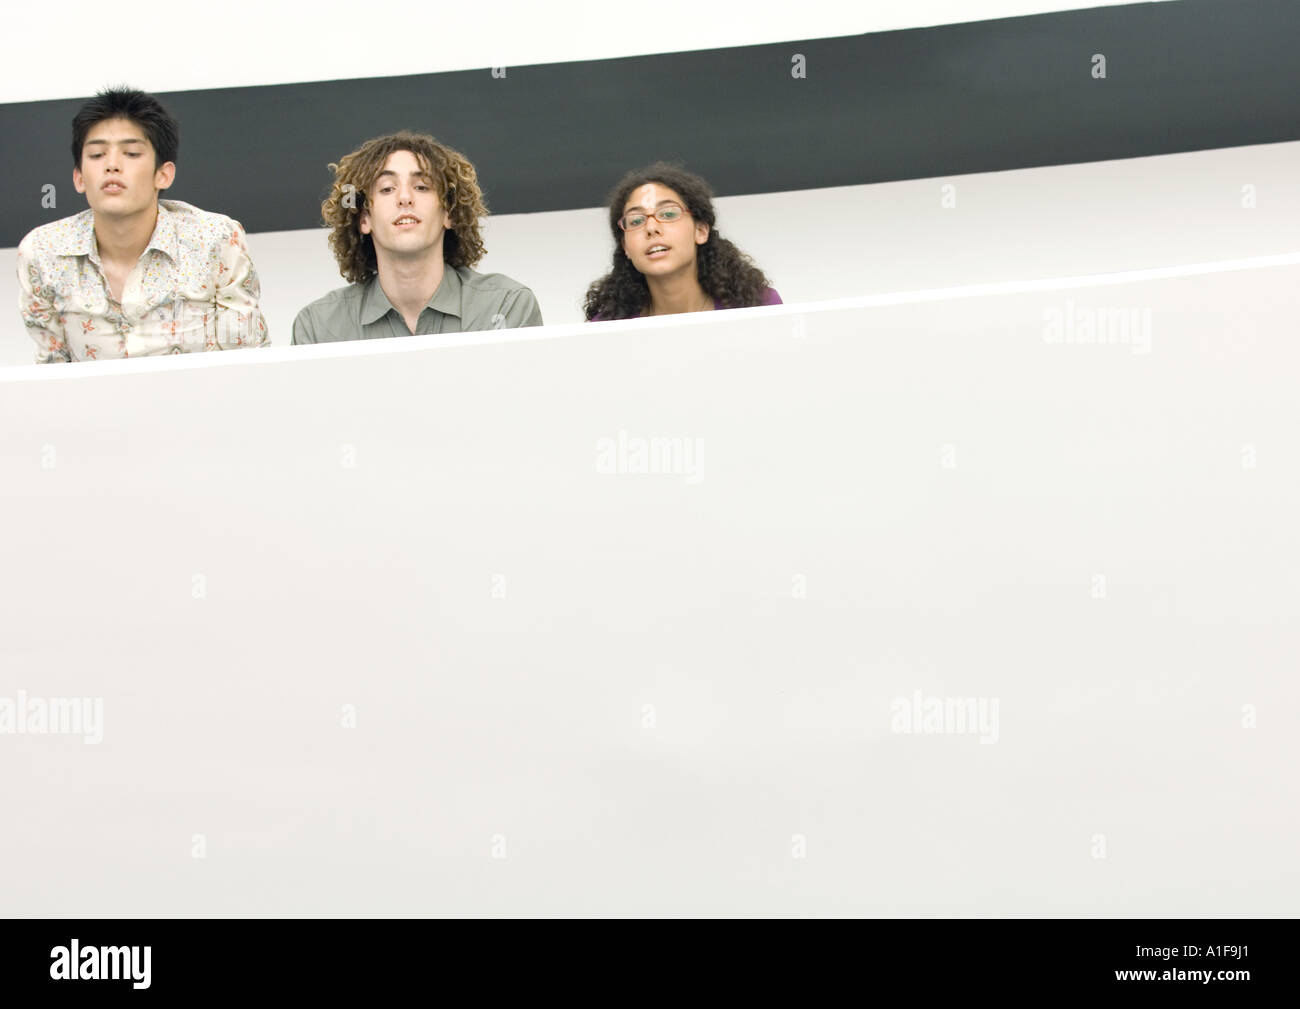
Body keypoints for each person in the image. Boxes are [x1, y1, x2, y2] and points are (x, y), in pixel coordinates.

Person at [16, 87, 268, 363]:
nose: (112, 165)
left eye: (132, 153)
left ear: (163, 174)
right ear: (79, 178)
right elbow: (51, 372)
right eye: (97, 155)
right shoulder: (42, 253)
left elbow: (247, 363)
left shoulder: (216, 239)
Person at [293, 131, 542, 344]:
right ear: (364, 219)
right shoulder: (318, 328)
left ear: (449, 213)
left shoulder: (507, 306)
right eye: (387, 188)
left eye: (422, 186)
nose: (404, 198)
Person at [584, 162, 781, 321]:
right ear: (625, 247)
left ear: (701, 231)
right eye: (636, 221)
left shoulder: (759, 306)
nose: (651, 228)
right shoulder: (606, 328)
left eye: (668, 214)